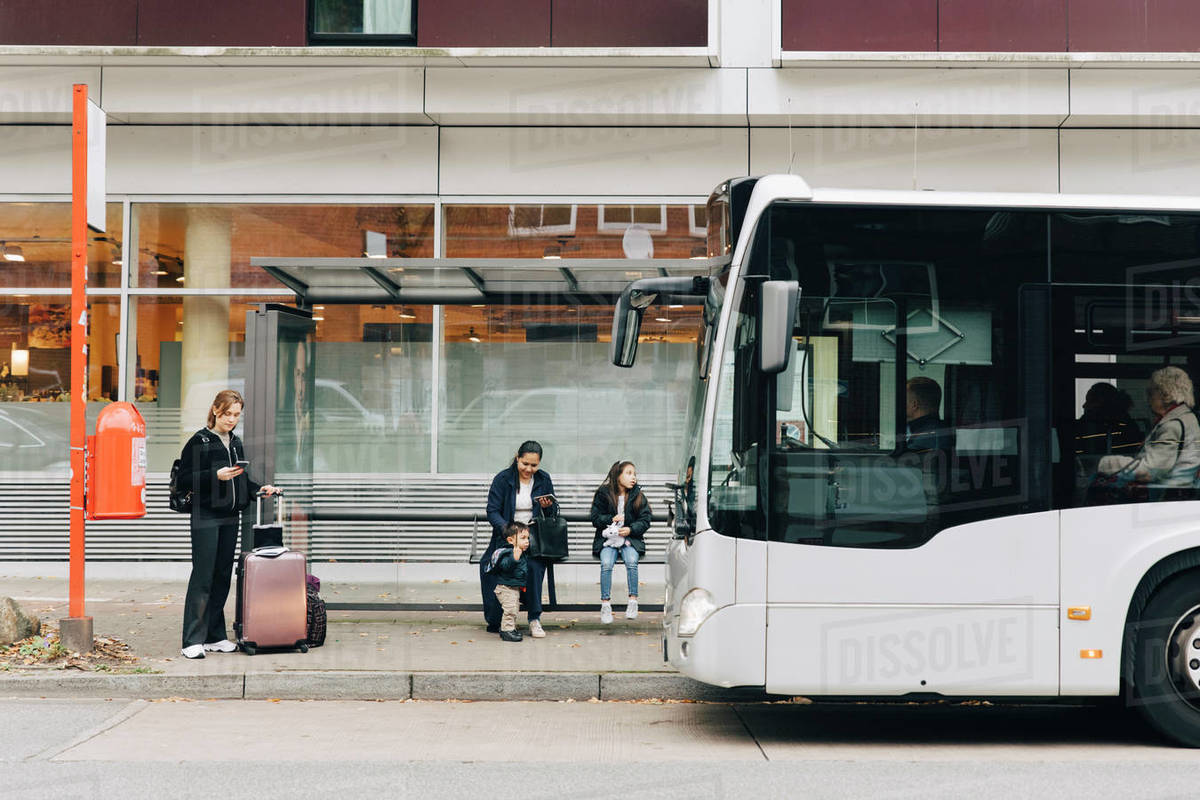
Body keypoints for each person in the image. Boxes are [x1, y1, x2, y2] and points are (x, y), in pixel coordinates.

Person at [176, 389, 279, 660]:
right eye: (227, 413)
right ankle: (192, 640)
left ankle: (214, 636)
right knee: (203, 576)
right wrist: (214, 475)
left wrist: (259, 490)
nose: (231, 419)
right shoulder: (199, 441)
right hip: (206, 517)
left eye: (236, 415)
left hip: (230, 516)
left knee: (222, 575)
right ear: (215, 410)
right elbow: (183, 479)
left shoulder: (235, 442)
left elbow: (240, 481)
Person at [483, 441, 556, 638]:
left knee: (533, 567)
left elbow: (552, 513)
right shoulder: (503, 479)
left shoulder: (543, 479)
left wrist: (548, 506)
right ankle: (499, 618)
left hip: (533, 540)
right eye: (525, 464)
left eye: (534, 465)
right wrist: (509, 532)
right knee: (496, 565)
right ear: (517, 458)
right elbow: (492, 510)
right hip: (506, 537)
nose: (529, 469)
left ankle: (534, 618)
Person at [1096, 366, 1200, 500]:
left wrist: (1107, 463)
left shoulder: (1173, 425)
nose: (1147, 399)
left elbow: (1150, 470)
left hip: (1166, 500)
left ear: (1166, 394)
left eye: (1151, 393)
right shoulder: (1185, 417)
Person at [590, 461, 652, 624]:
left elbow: (645, 520)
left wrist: (631, 529)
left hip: (630, 540)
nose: (633, 478)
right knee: (606, 564)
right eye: (629, 473)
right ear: (618, 476)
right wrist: (610, 519)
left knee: (632, 561)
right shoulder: (603, 493)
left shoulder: (638, 495)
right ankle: (605, 605)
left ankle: (633, 601)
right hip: (607, 540)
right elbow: (595, 518)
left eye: (635, 474)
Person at [488, 522, 531, 642]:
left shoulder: (521, 552)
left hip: (513, 588)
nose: (527, 541)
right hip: (505, 588)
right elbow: (505, 567)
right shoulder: (508, 552)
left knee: (513, 609)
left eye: (528, 538)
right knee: (510, 610)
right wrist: (514, 558)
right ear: (510, 540)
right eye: (523, 538)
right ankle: (507, 631)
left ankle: (509, 628)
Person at [1075, 382, 1143, 457]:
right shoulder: (1128, 425)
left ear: (1102, 404)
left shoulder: (1092, 426)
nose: (1084, 406)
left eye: (1089, 401)